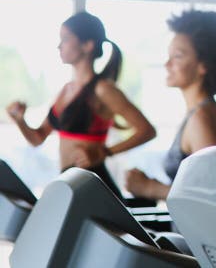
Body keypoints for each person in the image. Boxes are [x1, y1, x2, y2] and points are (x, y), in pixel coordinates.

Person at [6, 11, 157, 199]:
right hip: (68, 180)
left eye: (66, 39)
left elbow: (147, 131)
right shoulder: (65, 90)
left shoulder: (103, 90)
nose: (59, 46)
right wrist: (20, 120)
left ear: (87, 45)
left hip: (92, 182)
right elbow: (37, 139)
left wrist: (105, 152)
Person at [124, 9, 216, 200]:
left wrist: (150, 188)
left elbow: (214, 198)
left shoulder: (202, 118)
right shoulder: (199, 112)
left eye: (177, 56)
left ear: (204, 64)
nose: (167, 64)